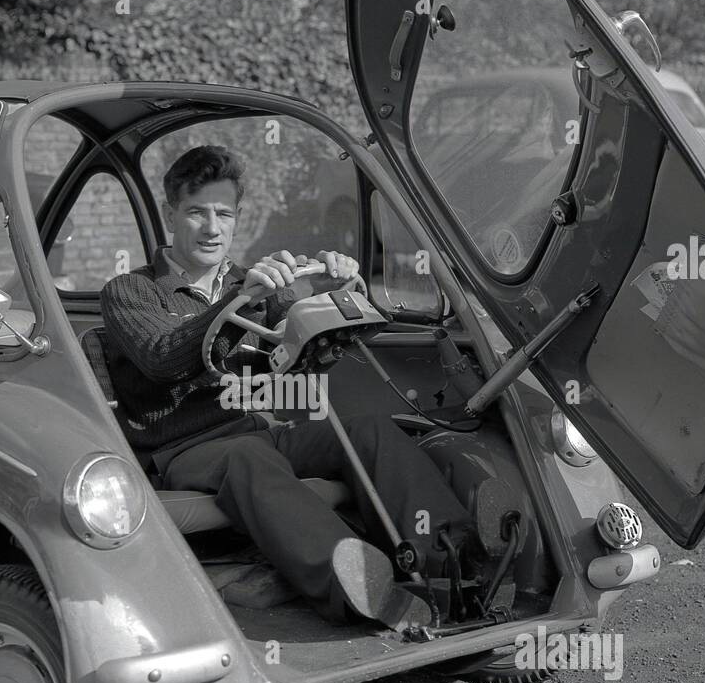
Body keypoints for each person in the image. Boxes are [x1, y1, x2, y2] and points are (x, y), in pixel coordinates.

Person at [99, 145, 491, 629]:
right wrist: (241, 303)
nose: (211, 227)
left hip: (265, 429)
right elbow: (163, 357)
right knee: (247, 456)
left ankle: (456, 559)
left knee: (368, 429)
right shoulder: (130, 291)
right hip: (182, 451)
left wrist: (334, 289)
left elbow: (305, 353)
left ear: (238, 218)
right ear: (170, 214)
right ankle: (359, 591)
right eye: (196, 212)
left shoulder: (253, 283)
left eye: (224, 213)